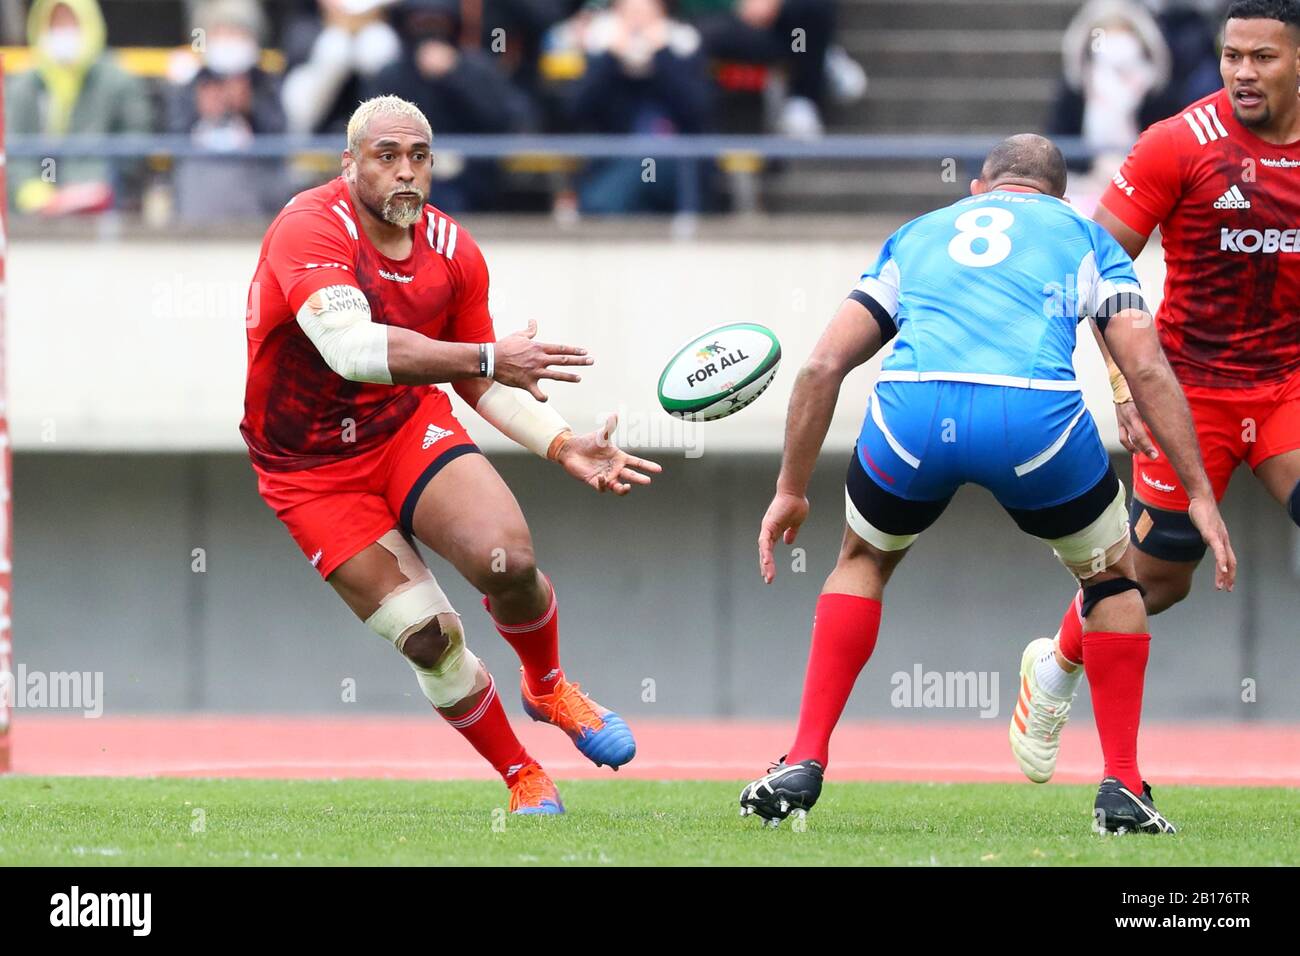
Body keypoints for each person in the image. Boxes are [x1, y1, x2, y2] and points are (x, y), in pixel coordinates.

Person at [740, 134, 1235, 834]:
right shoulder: (1090, 239)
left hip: (913, 413)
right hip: (1031, 423)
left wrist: (790, 489)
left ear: (978, 188)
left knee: (861, 560)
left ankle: (804, 758)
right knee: (1113, 583)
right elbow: (1148, 370)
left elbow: (822, 367)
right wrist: (1201, 494)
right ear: (1061, 199)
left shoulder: (916, 235)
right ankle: (1122, 786)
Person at [240, 95, 661, 814]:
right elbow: (354, 350)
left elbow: (475, 377)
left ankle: (548, 684)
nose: (406, 172)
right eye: (387, 156)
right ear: (350, 165)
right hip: (310, 472)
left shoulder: (453, 249)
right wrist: (493, 354)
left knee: (510, 559)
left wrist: (562, 443)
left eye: (419, 157)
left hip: (404, 427)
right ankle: (521, 773)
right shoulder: (308, 226)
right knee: (430, 638)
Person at [1015, 0, 1300, 784]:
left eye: (1264, 58)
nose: (1243, 71)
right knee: (1156, 582)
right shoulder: (1180, 143)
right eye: (1232, 55)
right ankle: (1056, 665)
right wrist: (1123, 388)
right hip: (1188, 395)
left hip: (1286, 387)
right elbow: (1094, 266)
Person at [6, 0, 152, 215]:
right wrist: (35, 193)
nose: (64, 33)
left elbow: (136, 142)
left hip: (99, 213)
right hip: (31, 217)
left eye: (71, 23)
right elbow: (12, 146)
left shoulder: (117, 81)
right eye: (56, 25)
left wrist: (95, 186)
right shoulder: (23, 86)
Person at [168, 0, 289, 222]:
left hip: (257, 197)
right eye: (220, 32)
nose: (228, 39)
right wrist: (200, 114)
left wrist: (249, 108)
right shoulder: (192, 83)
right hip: (200, 195)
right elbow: (172, 138)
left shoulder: (265, 83)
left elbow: (280, 136)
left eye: (236, 32)